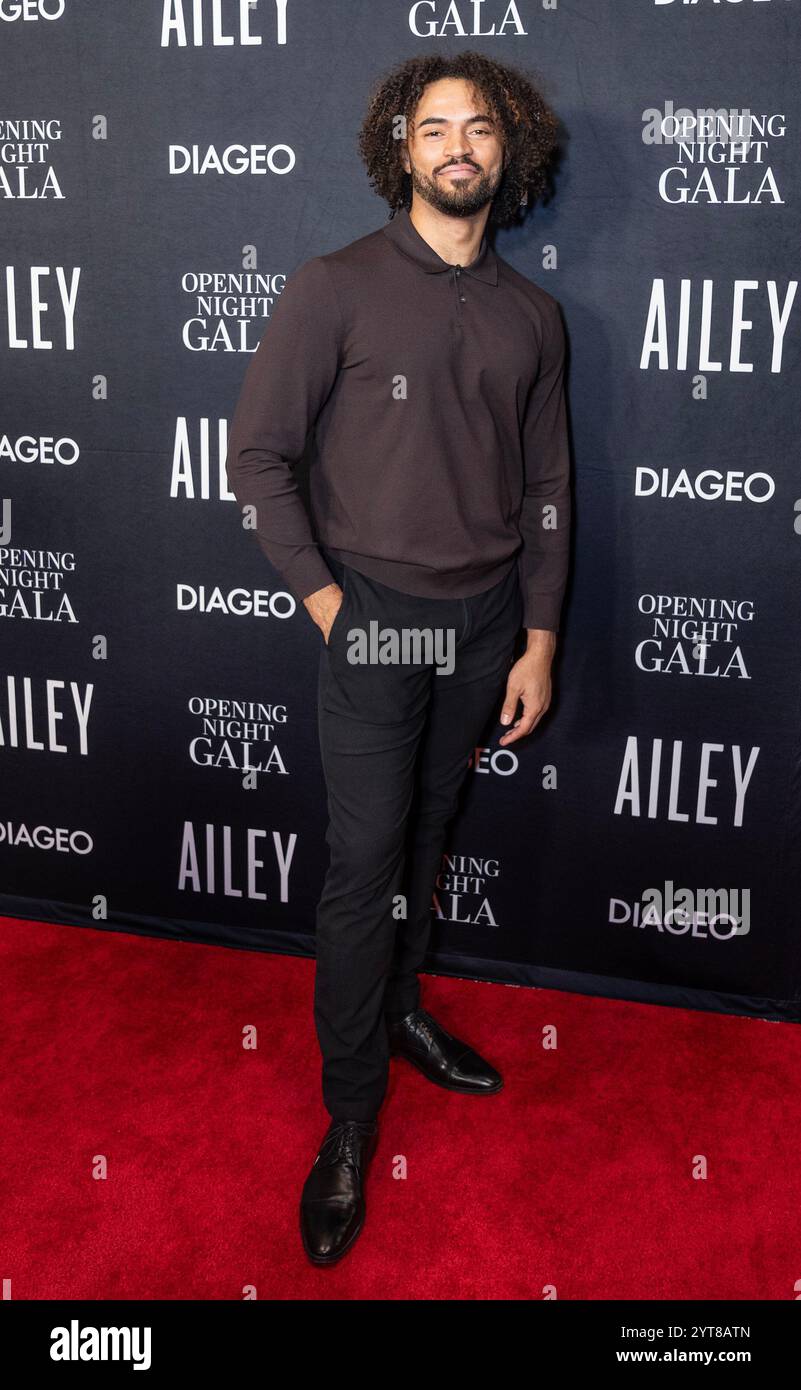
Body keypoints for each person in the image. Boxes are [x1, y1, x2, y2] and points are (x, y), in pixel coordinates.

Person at [225, 51, 572, 1266]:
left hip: (484, 627)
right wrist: (330, 607)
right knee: (363, 863)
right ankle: (352, 1115)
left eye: (481, 127)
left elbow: (544, 489)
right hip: (375, 615)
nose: (459, 146)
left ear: (507, 149)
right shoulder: (335, 288)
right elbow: (258, 459)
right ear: (400, 150)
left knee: (427, 838)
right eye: (436, 129)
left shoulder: (534, 315)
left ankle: (404, 1006)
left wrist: (537, 636)